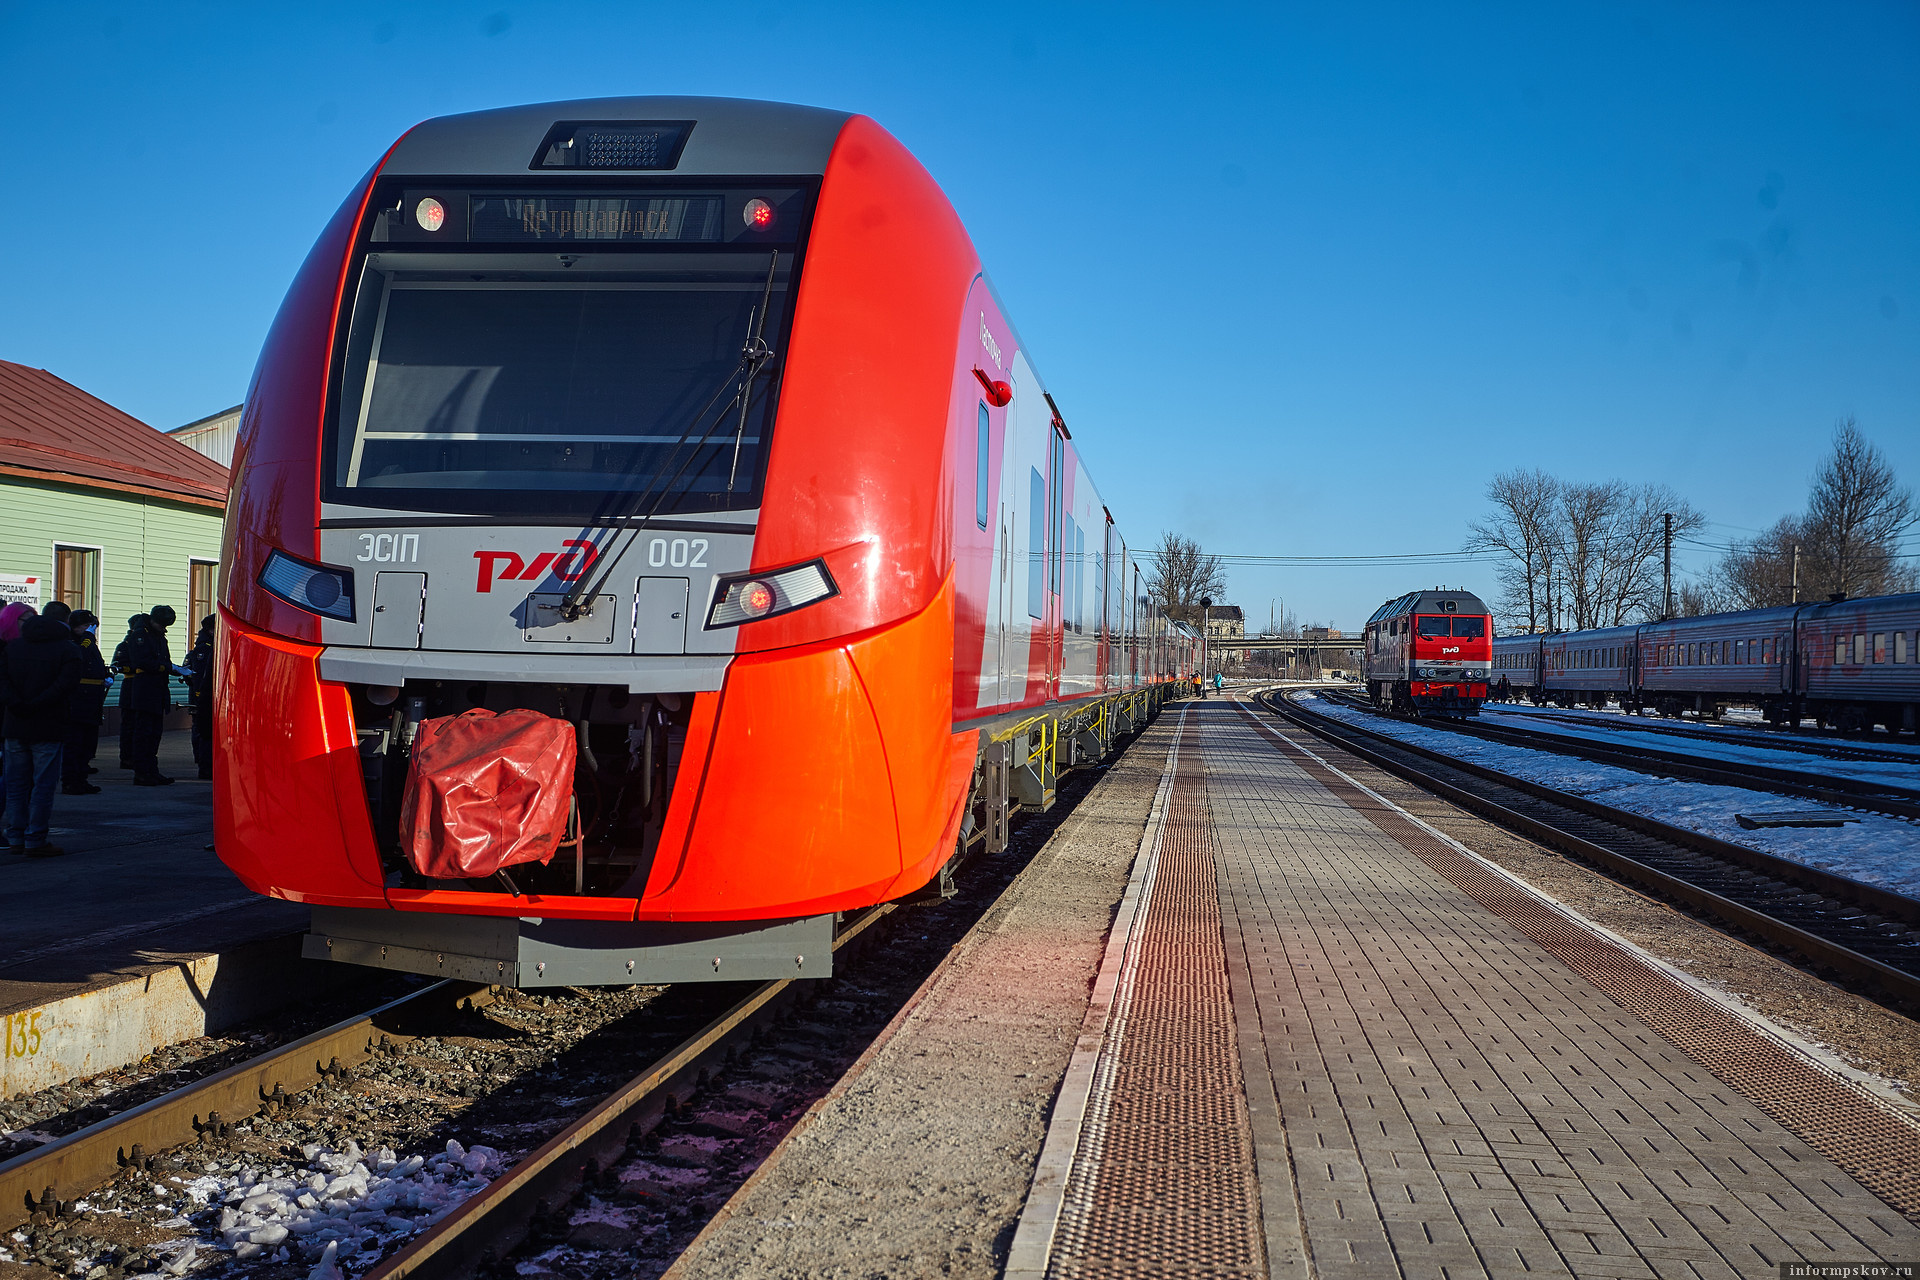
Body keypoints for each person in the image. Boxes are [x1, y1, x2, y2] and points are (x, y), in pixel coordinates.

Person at [2, 602, 82, 856]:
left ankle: (15, 836)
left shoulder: (12, 648)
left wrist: (18, 705)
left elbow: (3, 683)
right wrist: (38, 703)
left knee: (16, 785)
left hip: (15, 724)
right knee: (42, 785)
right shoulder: (67, 650)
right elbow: (66, 685)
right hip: (48, 725)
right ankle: (35, 838)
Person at [114, 606, 177, 786]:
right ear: (153, 620)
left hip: (157, 689)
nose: (163, 628)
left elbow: (163, 659)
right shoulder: (140, 636)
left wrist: (171, 668)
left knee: (154, 733)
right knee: (143, 733)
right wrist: (166, 667)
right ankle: (142, 772)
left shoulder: (157, 635)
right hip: (145, 690)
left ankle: (152, 770)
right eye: (161, 624)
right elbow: (142, 661)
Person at [63, 609, 108, 794]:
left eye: (92, 626)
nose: (91, 630)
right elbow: (79, 656)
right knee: (75, 744)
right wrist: (87, 638)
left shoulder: (90, 643)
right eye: (86, 626)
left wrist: (105, 675)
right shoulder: (75, 642)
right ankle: (71, 781)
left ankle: (81, 778)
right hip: (79, 700)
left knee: (88, 744)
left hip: (92, 700)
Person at [185, 614, 215, 781]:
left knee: (203, 731)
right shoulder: (205, 649)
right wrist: (199, 696)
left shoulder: (206, 646)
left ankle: (205, 763)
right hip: (204, 697)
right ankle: (204, 765)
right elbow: (201, 676)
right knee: (203, 732)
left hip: (204, 696)